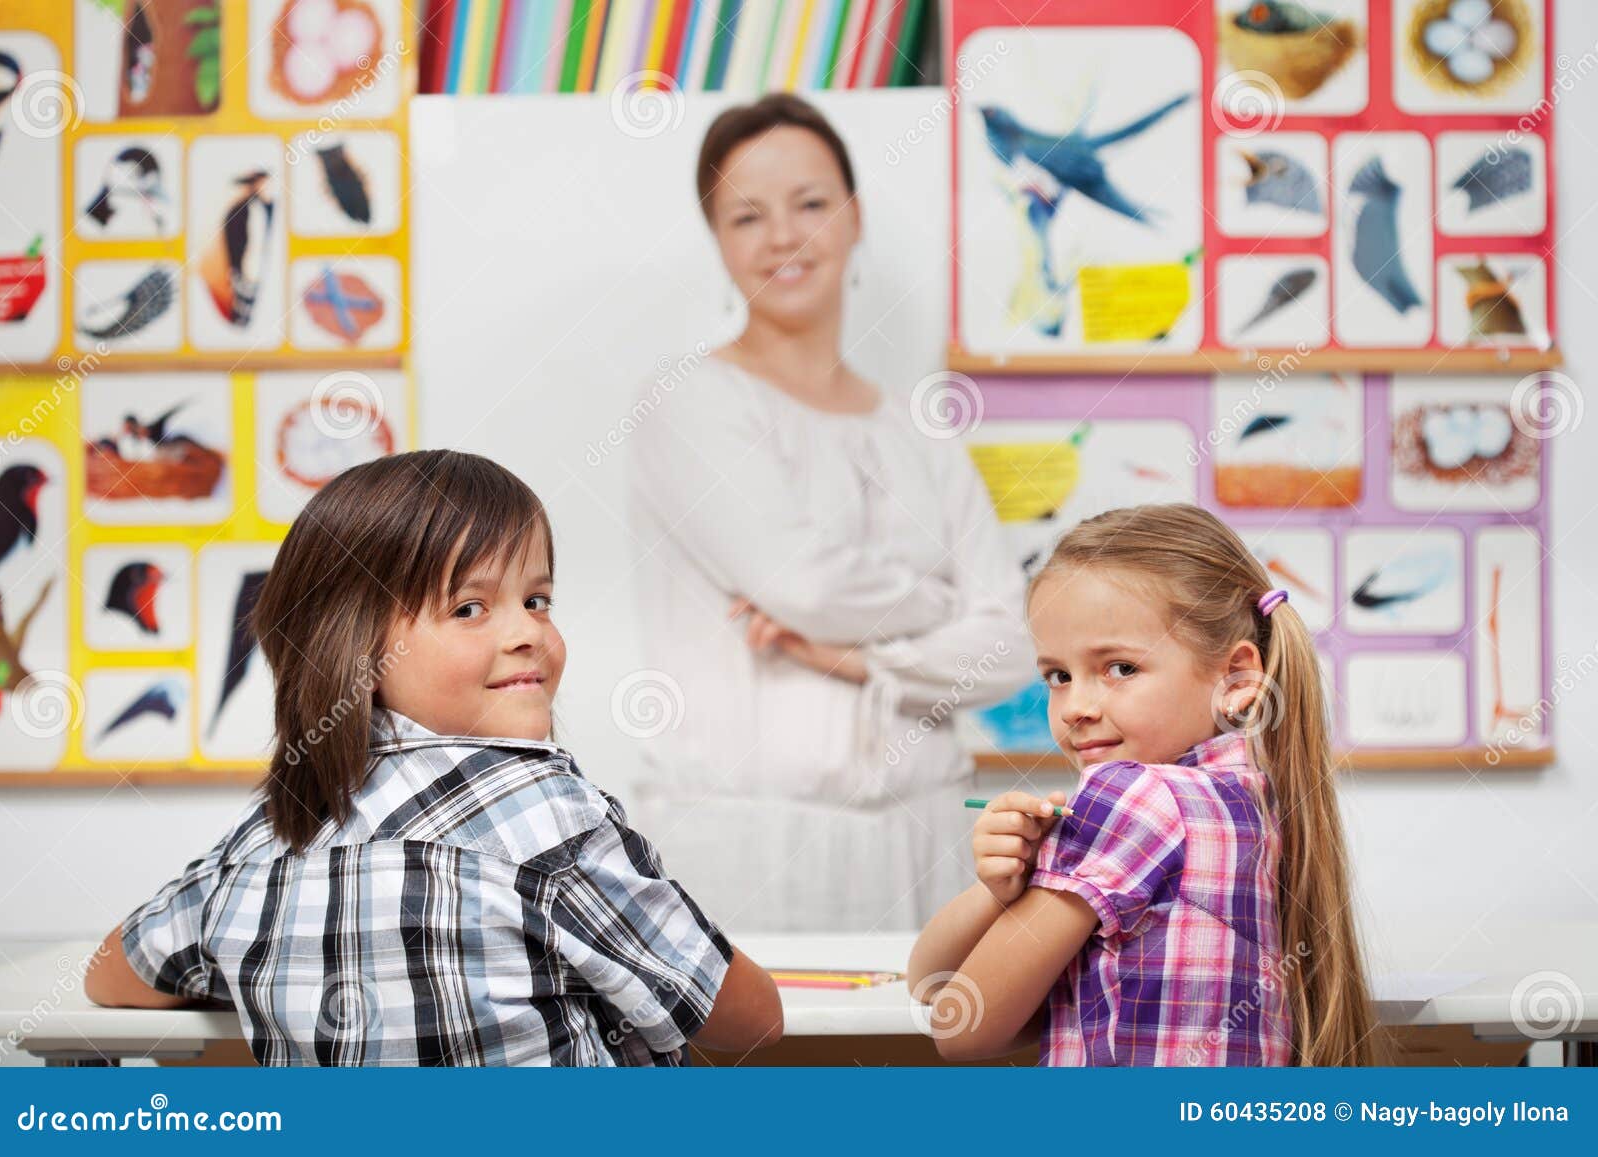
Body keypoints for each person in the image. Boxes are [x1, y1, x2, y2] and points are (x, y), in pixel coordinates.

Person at [84, 450, 782, 1065]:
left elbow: (109, 974)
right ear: (351, 645)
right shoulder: (545, 820)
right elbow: (751, 1020)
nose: (526, 633)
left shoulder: (262, 841)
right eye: (469, 608)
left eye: (537, 599)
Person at [626, 94, 1033, 931]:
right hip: (743, 843)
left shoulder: (917, 434)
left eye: (811, 203)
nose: (783, 236)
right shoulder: (689, 401)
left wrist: (856, 660)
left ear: (855, 218)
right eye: (747, 215)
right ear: (719, 241)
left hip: (923, 839)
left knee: (919, 1051)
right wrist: (941, 607)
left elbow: (1018, 641)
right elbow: (803, 583)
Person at [909, 504, 1377, 1066]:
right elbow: (1029, 1016)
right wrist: (1006, 889)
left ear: (1236, 678)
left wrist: (1020, 890)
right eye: (1058, 676)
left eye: (1120, 668)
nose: (1077, 707)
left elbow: (960, 1024)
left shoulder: (1133, 797)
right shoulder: (1253, 796)